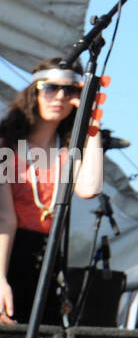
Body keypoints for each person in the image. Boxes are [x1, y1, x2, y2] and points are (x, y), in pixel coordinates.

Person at [0, 59, 104, 324]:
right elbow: (5, 219)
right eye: (50, 88)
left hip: (49, 255)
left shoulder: (70, 150)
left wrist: (91, 121)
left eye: (69, 91)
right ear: (34, 90)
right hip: (9, 251)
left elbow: (90, 188)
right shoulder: (6, 146)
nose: (59, 96)